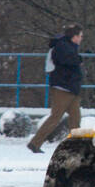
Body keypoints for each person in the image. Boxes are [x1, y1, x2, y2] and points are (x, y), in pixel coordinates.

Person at [27, 23, 83, 153]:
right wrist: (79, 59)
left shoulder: (67, 46)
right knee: (56, 117)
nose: (81, 39)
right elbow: (67, 61)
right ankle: (35, 143)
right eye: (80, 36)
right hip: (63, 88)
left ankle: (77, 146)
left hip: (69, 88)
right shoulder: (62, 46)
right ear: (74, 36)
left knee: (75, 118)